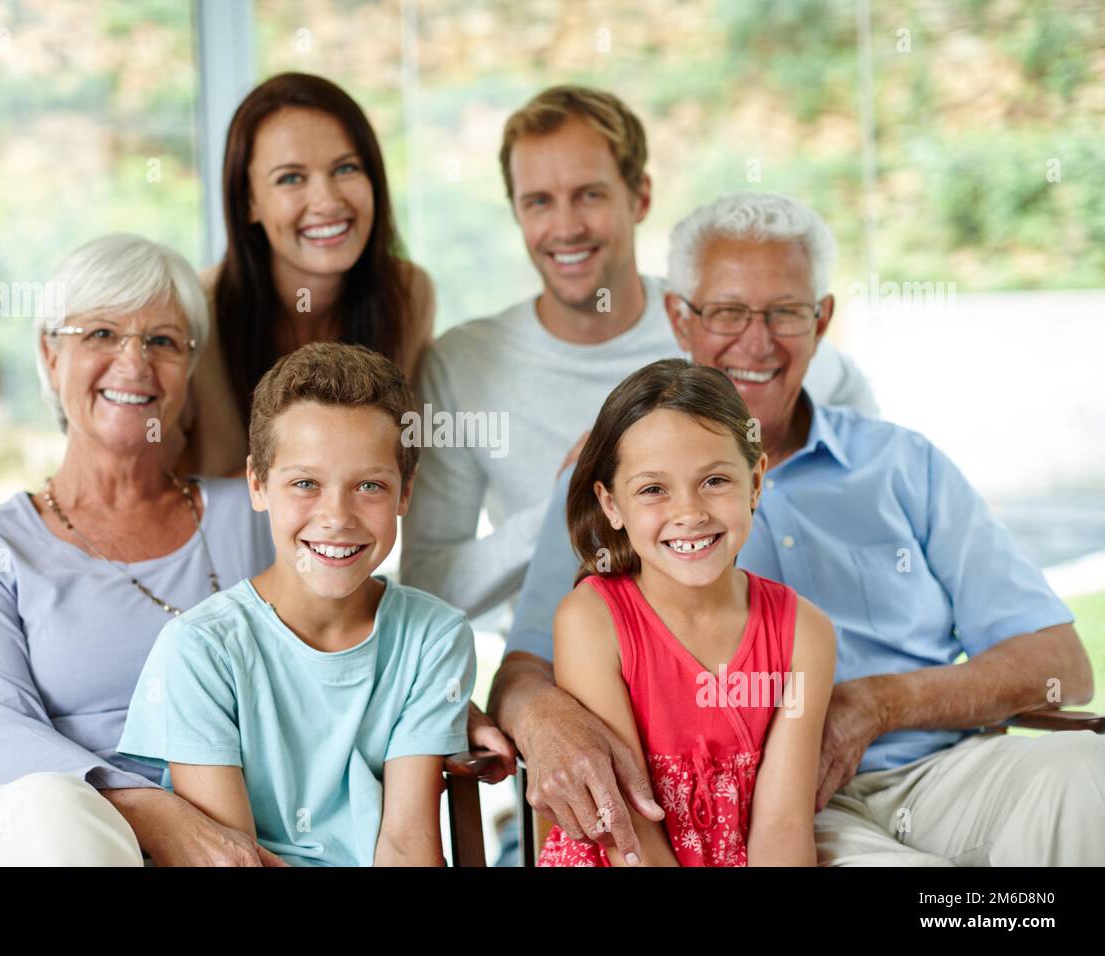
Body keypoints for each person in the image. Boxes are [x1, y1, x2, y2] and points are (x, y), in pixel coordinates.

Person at [490, 192, 1102, 866]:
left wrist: (877, 703)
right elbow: (524, 669)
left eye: (785, 311)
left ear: (823, 320)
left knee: (1087, 773)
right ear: (679, 318)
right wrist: (545, 724)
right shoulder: (609, 483)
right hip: (757, 810)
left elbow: (1062, 668)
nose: (757, 342)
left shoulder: (903, 463)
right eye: (727, 311)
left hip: (936, 773)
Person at [400, 85, 876, 623]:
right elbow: (429, 587)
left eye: (590, 195)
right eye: (539, 201)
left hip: (735, 649)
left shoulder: (715, 324)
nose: (565, 227)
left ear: (641, 197)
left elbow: (855, 438)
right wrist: (565, 505)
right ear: (516, 211)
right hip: (561, 669)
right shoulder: (464, 363)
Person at [0, 234, 275, 866]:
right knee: (59, 814)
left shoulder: (253, 513)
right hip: (30, 824)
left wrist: (433, 699)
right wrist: (158, 815)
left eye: (163, 341)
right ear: (50, 354)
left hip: (224, 824)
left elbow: (350, 634)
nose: (134, 362)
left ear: (188, 372)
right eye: (101, 333)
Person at [118, 342, 476, 866]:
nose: (337, 516)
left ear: (405, 493)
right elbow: (230, 858)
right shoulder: (200, 650)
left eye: (370, 486)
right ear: (258, 485)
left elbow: (408, 842)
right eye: (305, 483)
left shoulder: (434, 637)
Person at [537, 359, 834, 866]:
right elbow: (630, 829)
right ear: (611, 505)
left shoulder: (804, 632)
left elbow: (783, 825)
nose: (690, 513)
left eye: (715, 480)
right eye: (653, 489)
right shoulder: (590, 620)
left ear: (756, 481)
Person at [173, 72, 435, 478]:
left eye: (346, 168)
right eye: (291, 178)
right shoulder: (193, 315)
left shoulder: (407, 294)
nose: (327, 201)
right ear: (249, 203)